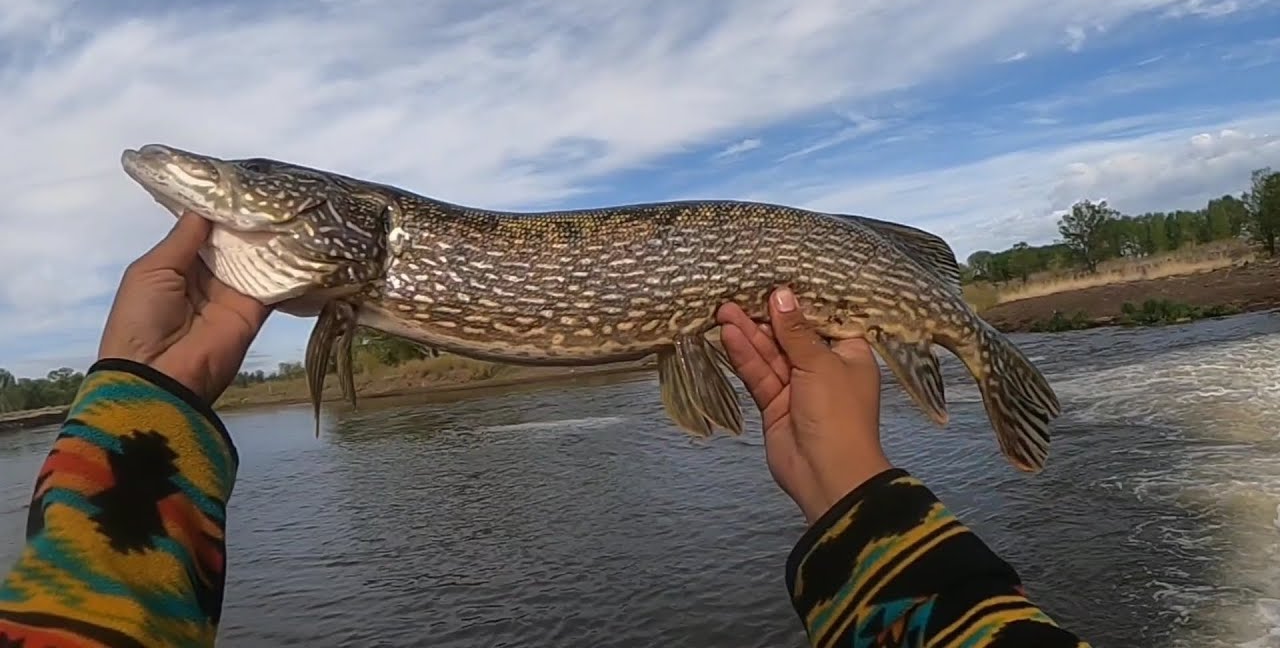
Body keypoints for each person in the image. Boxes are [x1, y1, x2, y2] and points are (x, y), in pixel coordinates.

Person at [0, 213, 1090, 647]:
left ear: (336, 225)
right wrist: (851, 489)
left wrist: (141, 394)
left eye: (242, 196)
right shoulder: (370, 260)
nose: (210, 204)